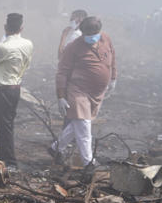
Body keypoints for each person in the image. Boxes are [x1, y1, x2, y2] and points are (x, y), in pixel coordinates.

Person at [50, 16, 117, 167]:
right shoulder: (73, 47)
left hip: (97, 94)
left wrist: (113, 78)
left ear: (99, 31)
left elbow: (112, 58)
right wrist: (60, 96)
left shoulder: (106, 38)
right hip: (78, 91)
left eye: (95, 33)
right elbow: (62, 72)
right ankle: (88, 163)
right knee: (85, 126)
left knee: (78, 124)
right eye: (88, 34)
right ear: (82, 32)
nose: (92, 37)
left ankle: (55, 148)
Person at [0, 13, 33, 169]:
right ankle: (2, 156)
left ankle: (10, 162)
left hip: (4, 89)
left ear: (5, 27)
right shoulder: (28, 44)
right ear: (21, 28)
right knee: (7, 124)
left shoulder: (4, 46)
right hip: (16, 88)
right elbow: (27, 63)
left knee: (4, 126)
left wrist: (1, 41)